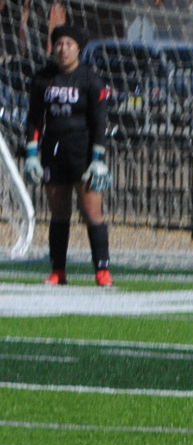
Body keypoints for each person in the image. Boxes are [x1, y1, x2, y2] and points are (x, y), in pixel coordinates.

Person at [24, 25, 112, 287]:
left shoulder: (90, 79)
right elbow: (34, 119)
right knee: (59, 214)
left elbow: (99, 122)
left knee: (92, 213)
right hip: (54, 153)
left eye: (69, 44)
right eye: (59, 43)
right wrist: (31, 153)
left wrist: (98, 159)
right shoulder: (43, 79)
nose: (63, 49)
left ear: (79, 48)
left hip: (82, 154)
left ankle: (102, 270)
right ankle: (58, 270)